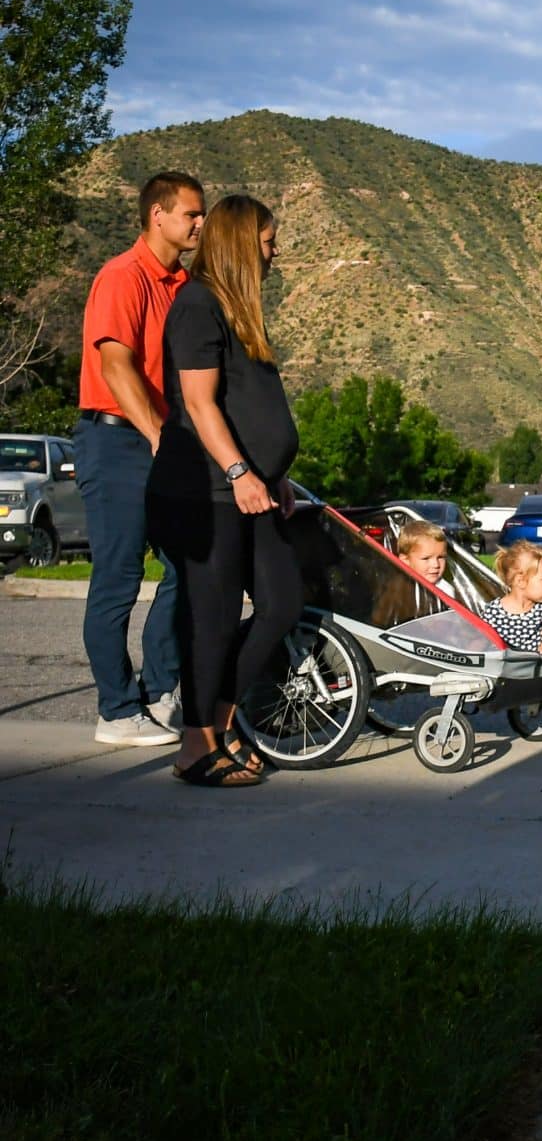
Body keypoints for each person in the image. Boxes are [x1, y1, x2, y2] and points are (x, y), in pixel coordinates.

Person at [147, 194, 300, 787]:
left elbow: (249, 408)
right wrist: (240, 472)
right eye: (267, 241)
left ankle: (223, 723)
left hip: (252, 488)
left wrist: (274, 473)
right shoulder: (197, 306)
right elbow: (199, 404)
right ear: (242, 244)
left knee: (281, 602)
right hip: (207, 492)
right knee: (209, 619)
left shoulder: (240, 311)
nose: (275, 251)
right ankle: (194, 746)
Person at [76, 171, 206, 747]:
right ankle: (116, 711)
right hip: (116, 441)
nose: (199, 223)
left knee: (186, 569)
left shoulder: (182, 284)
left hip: (162, 440)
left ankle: (158, 692)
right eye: (191, 214)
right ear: (159, 214)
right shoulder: (122, 277)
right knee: (119, 578)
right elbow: (116, 367)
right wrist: (160, 438)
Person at [481, 540, 542, 657]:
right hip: (503, 670)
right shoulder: (493, 612)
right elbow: (482, 642)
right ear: (521, 581)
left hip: (534, 668)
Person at [374, 518, 448, 627]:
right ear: (405, 560)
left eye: (441, 557)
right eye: (426, 558)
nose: (436, 565)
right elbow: (379, 621)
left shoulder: (446, 587)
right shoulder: (397, 590)